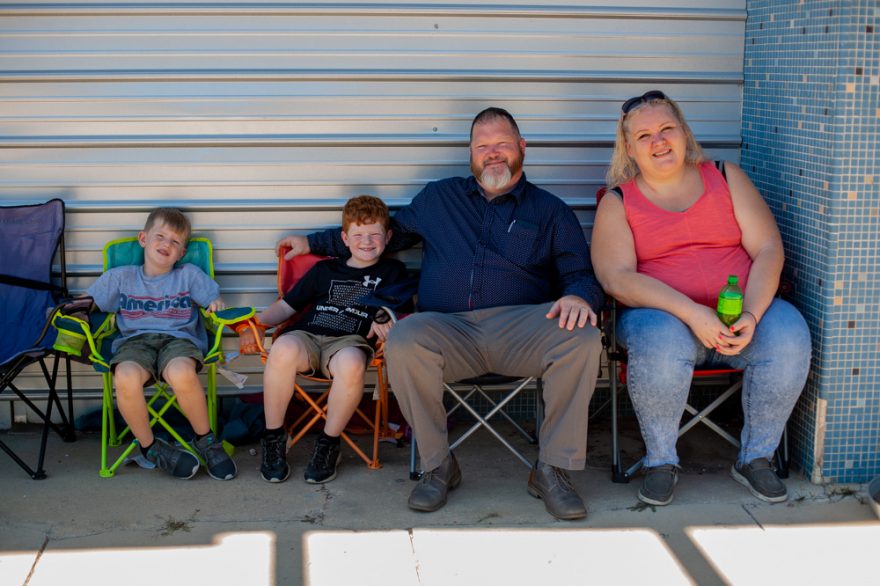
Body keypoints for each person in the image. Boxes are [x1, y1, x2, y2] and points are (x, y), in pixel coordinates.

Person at [277, 107, 604, 520]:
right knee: (405, 338)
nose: (493, 154)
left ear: (522, 148)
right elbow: (382, 238)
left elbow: (581, 273)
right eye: (482, 146)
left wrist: (579, 296)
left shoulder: (550, 211)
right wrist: (313, 242)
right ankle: (438, 466)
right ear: (470, 153)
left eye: (502, 144)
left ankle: (552, 470)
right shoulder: (439, 198)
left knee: (582, 337)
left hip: (520, 329)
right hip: (449, 331)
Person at [591, 90, 811, 506]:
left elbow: (768, 248)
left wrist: (752, 312)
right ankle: (660, 461)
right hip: (664, 321)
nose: (658, 142)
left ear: (684, 133)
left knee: (789, 333)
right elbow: (615, 279)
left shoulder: (726, 176)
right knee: (660, 339)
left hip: (740, 315)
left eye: (666, 129)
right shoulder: (618, 202)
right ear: (630, 150)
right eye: (644, 136)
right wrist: (692, 313)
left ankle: (756, 458)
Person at [255, 195, 409, 484]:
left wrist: (386, 316)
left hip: (349, 343)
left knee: (352, 363)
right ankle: (274, 438)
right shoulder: (325, 270)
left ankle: (328, 444)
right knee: (283, 347)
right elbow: (286, 307)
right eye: (358, 235)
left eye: (375, 234)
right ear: (344, 239)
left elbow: (400, 309)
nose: (367, 241)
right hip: (308, 336)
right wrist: (253, 324)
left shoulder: (392, 273)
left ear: (388, 237)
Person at [86, 207, 237, 480]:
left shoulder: (188, 274)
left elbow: (214, 301)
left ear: (181, 252)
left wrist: (216, 304)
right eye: (160, 236)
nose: (166, 244)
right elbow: (91, 302)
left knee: (181, 372)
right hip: (134, 342)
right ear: (143, 238)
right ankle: (150, 447)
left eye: (175, 242)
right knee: (124, 376)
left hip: (178, 340)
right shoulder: (121, 276)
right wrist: (67, 309)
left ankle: (205, 440)